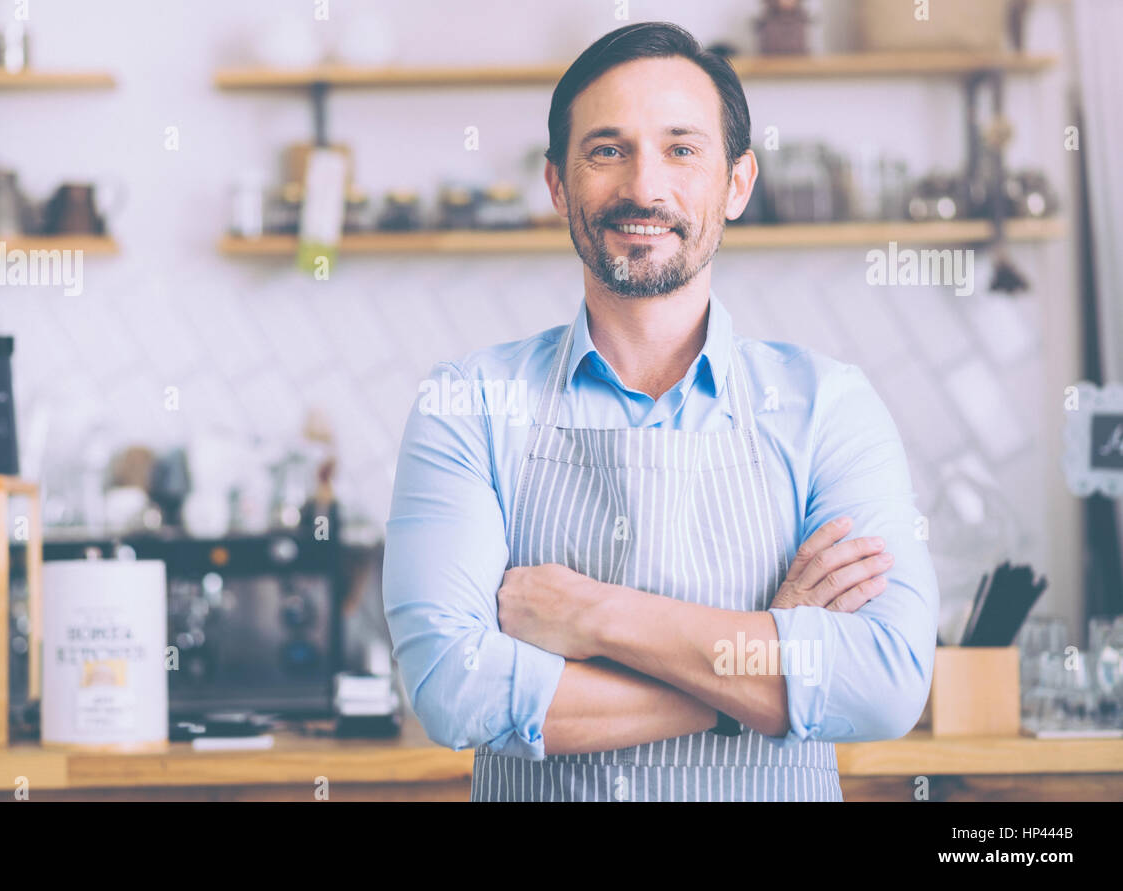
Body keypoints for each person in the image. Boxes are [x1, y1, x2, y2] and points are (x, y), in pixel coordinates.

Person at [382, 21, 938, 801]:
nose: (645, 188)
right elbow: (452, 689)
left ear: (737, 184)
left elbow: (884, 682)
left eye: (682, 149)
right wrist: (754, 675)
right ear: (556, 185)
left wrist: (595, 614)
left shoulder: (827, 406)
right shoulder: (469, 404)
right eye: (607, 150)